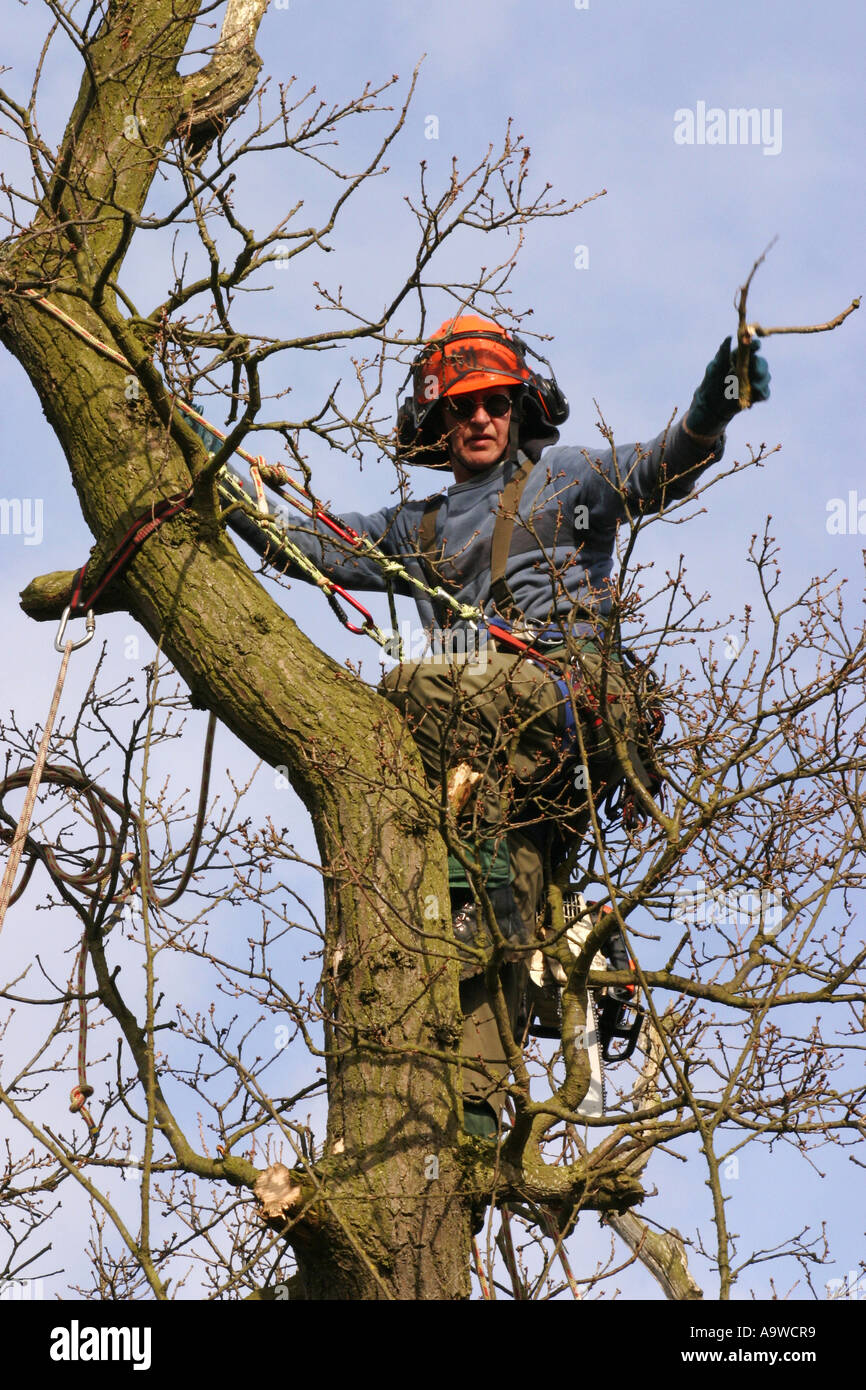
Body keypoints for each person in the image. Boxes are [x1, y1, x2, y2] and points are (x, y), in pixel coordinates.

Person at [219, 314, 771, 1134]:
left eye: (495, 405)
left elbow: (664, 465)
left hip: (558, 702)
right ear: (438, 422)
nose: (479, 419)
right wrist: (206, 474)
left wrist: (717, 399)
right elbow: (312, 546)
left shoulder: (570, 479)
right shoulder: (420, 527)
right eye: (462, 407)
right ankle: (470, 1112)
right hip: (478, 758)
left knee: (411, 684)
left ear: (521, 410)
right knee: (469, 898)